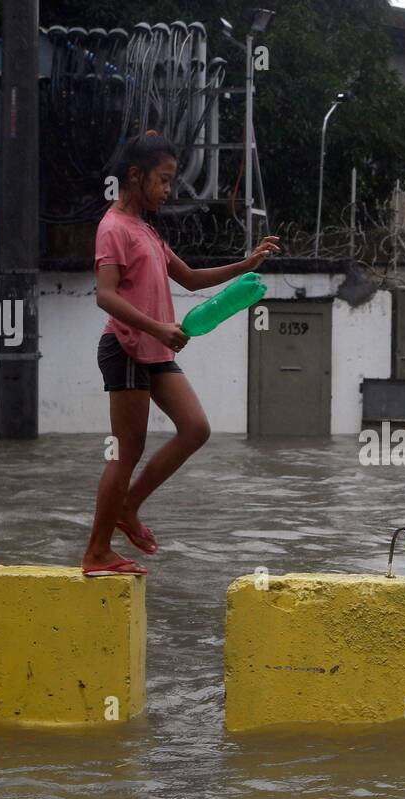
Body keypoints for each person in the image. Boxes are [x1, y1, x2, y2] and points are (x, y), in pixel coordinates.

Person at [82, 131, 280, 577]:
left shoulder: (146, 230)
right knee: (124, 455)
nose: (169, 190)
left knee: (195, 429)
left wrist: (245, 264)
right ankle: (96, 551)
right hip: (128, 348)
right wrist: (158, 328)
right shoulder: (113, 227)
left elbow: (189, 278)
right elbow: (105, 296)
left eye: (171, 181)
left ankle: (128, 505)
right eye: (164, 180)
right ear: (135, 176)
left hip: (156, 348)